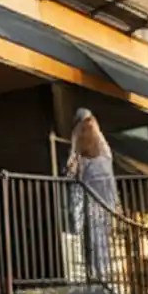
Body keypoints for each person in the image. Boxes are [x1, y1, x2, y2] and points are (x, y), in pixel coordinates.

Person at [64, 108, 119, 279]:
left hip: (89, 199)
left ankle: (93, 276)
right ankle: (104, 275)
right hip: (105, 200)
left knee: (88, 238)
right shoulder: (104, 148)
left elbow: (71, 171)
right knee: (102, 239)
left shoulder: (79, 144)